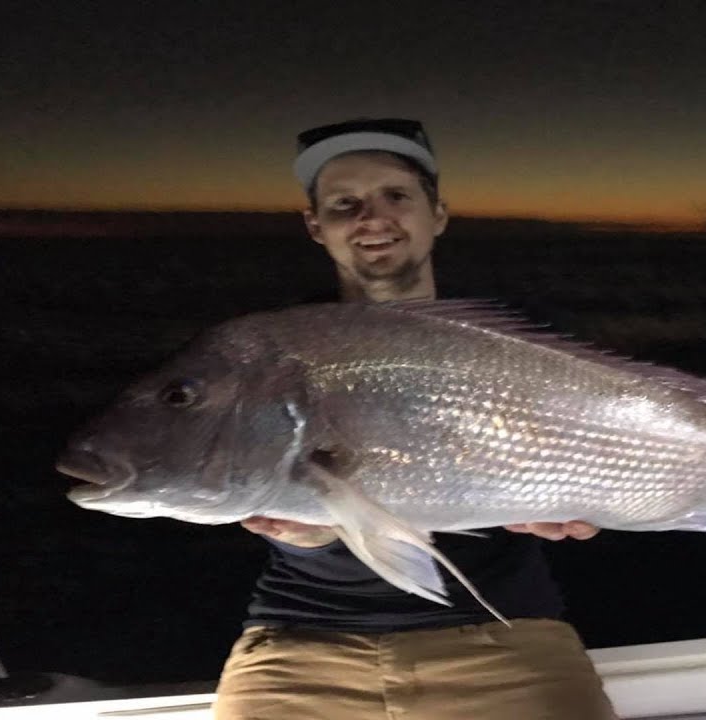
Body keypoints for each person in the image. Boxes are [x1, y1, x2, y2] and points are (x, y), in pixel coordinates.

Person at [211, 118, 618, 719]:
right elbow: (268, 488)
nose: (371, 218)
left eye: (395, 196)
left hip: (504, 637)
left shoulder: (528, 345)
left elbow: (611, 466)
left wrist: (594, 506)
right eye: (345, 203)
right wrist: (305, 537)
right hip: (298, 648)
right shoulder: (279, 351)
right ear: (315, 226)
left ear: (439, 214)